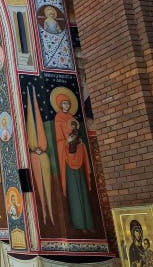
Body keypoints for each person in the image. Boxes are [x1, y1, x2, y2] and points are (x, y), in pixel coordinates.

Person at [53, 92, 94, 232]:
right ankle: (79, 224)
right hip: (67, 158)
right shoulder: (58, 119)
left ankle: (88, 223)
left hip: (78, 156)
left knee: (82, 188)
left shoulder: (72, 119)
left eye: (68, 103)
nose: (66, 105)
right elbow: (59, 141)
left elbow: (78, 134)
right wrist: (67, 141)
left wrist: (80, 142)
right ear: (59, 105)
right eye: (64, 103)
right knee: (74, 190)